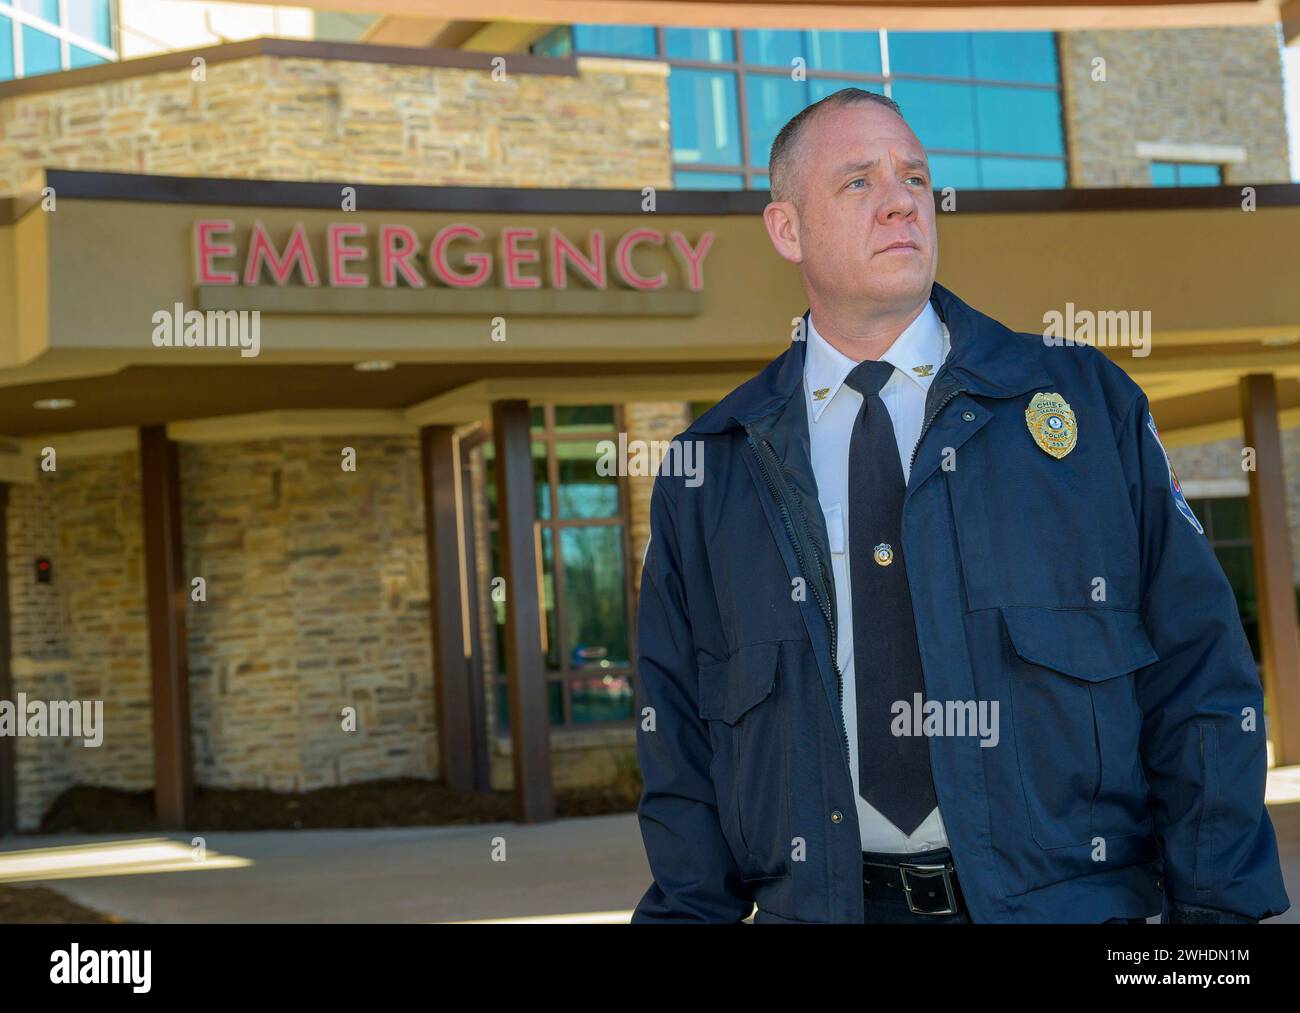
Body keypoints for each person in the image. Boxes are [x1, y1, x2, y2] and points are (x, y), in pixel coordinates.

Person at [630, 87, 1290, 923]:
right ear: (787, 229)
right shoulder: (712, 469)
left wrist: (1217, 927)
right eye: (859, 182)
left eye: (914, 176)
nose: (903, 199)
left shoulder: (1085, 409)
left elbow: (1202, 676)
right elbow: (679, 753)